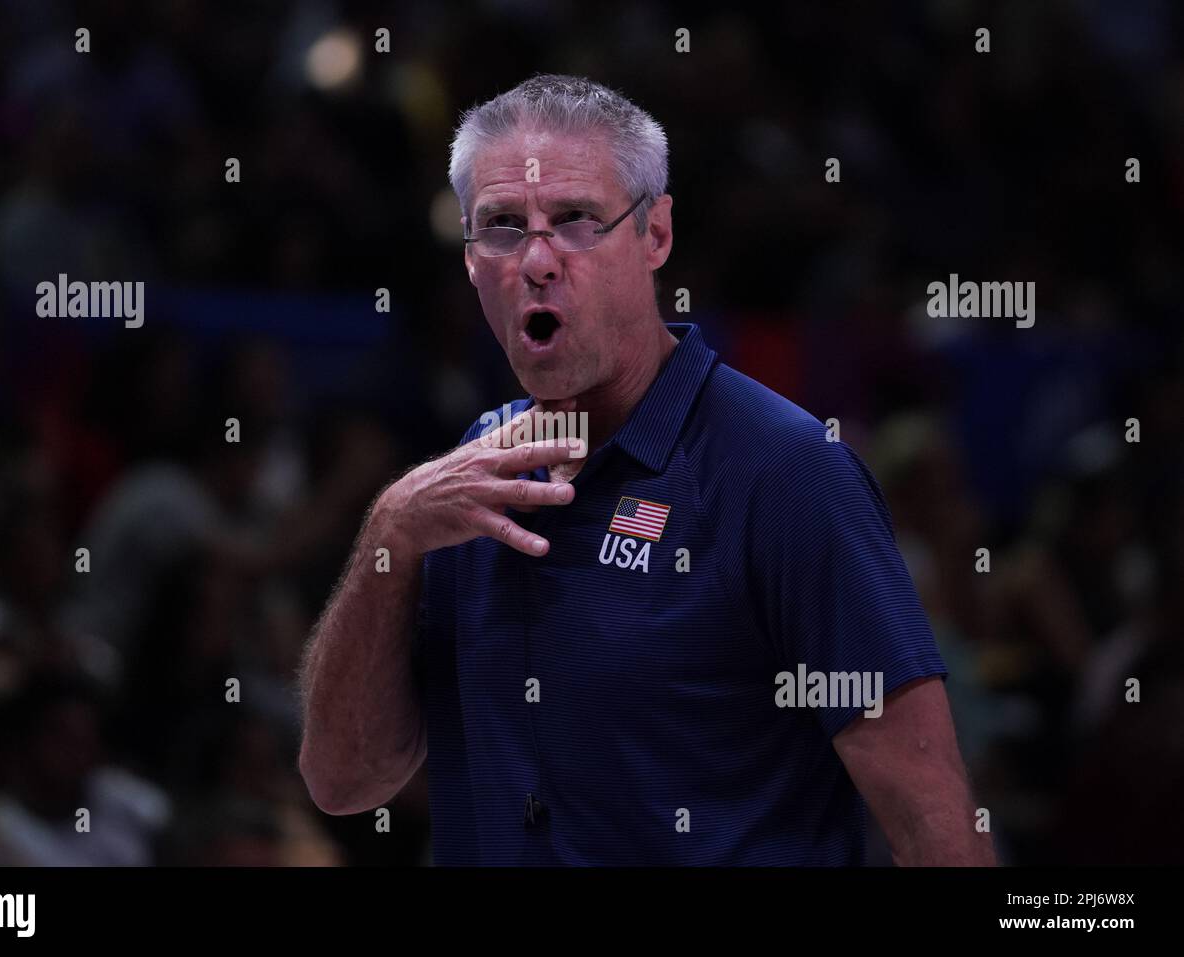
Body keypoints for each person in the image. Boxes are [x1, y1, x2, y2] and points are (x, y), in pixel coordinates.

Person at [299, 74, 995, 866]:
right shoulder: (456, 490)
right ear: (468, 258)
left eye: (575, 220)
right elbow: (343, 780)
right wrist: (388, 532)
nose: (536, 259)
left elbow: (935, 824)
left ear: (654, 234)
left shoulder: (787, 472)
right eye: (500, 226)